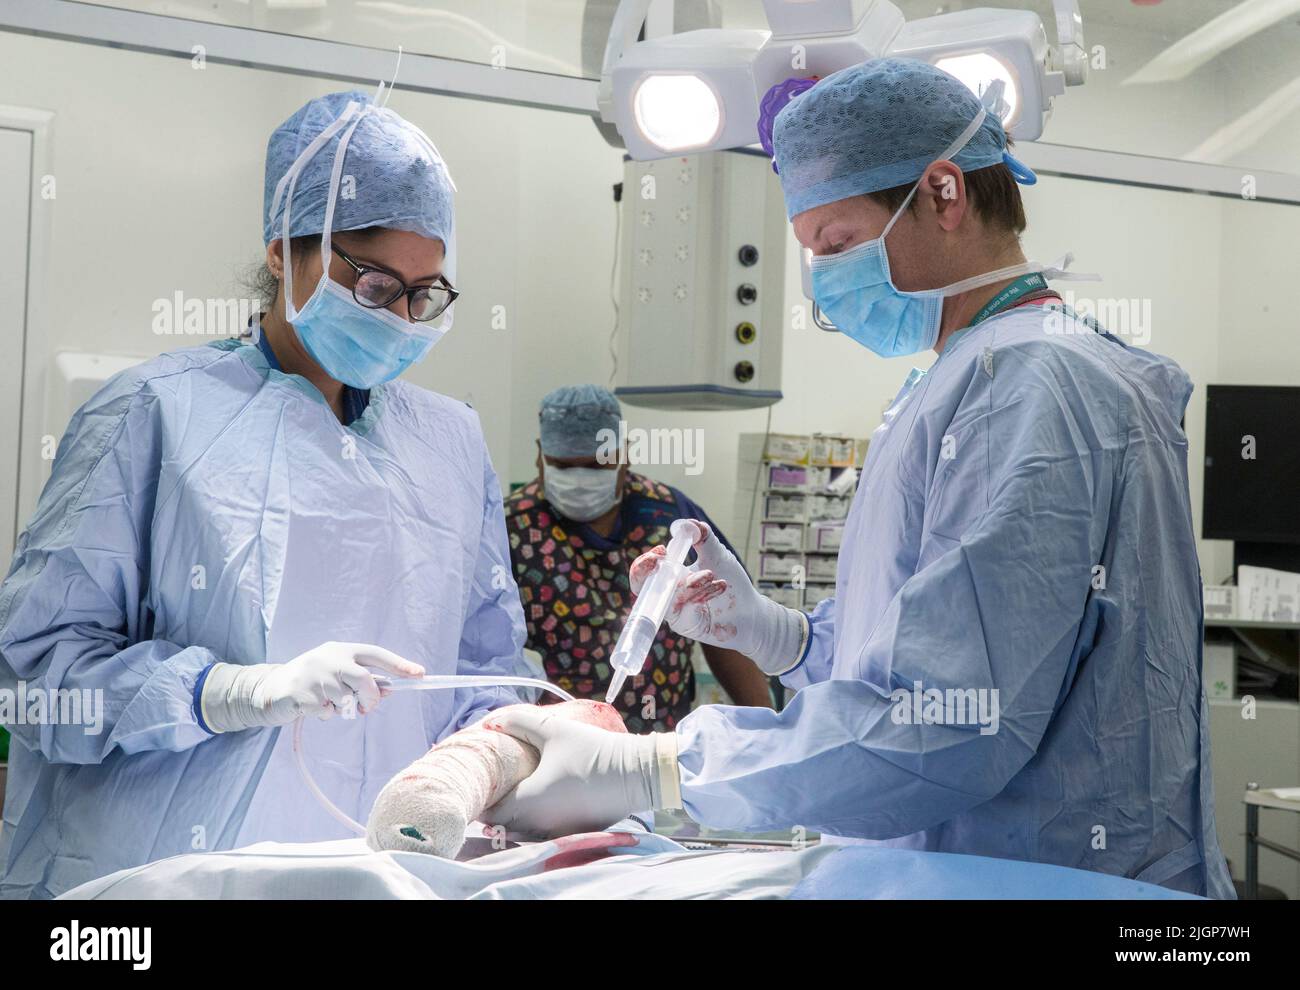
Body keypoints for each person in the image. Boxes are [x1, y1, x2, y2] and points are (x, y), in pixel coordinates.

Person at [482, 59, 1233, 898]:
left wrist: (655, 767)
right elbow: (938, 639)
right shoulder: (971, 375)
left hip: (1045, 876)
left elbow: (948, 720)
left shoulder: (1024, 389)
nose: (824, 283)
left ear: (944, 193)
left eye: (836, 245)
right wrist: (780, 636)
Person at [0, 90, 534, 898]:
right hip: (158, 884)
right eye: (375, 286)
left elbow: (483, 675)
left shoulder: (449, 442)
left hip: (382, 878)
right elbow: (37, 681)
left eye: (424, 296)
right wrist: (233, 692)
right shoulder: (152, 415)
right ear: (286, 252)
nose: (400, 318)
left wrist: (521, 755)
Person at [504, 385, 772, 732]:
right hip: (553, 745)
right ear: (540, 456)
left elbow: (724, 624)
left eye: (596, 465)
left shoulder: (670, 515)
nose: (581, 480)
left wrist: (769, 727)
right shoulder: (511, 527)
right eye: (563, 466)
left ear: (624, 454)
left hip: (661, 744)